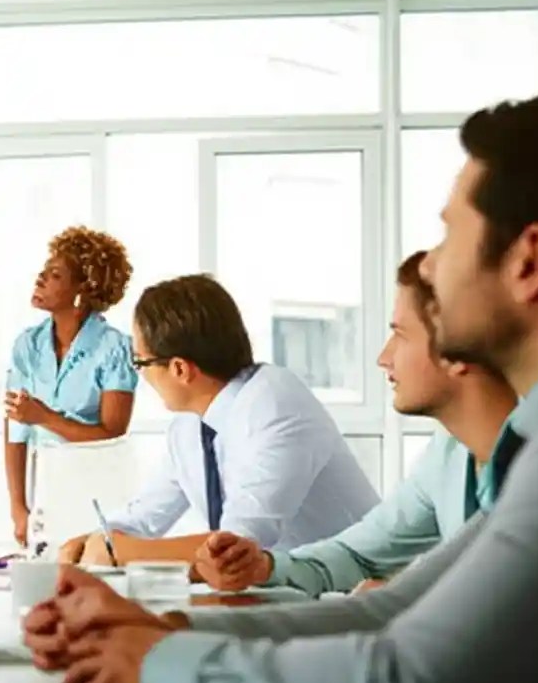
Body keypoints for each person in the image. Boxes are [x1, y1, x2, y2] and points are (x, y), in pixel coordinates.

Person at [23, 86, 538, 683]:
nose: (431, 269)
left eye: (450, 238)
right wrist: (168, 632)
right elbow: (393, 610)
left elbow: (404, 680)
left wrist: (157, 662)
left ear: (531, 260)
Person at [193, 250, 518, 594]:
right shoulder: (448, 454)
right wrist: (263, 566)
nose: (383, 358)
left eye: (401, 334)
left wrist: (403, 601)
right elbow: (356, 555)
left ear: (458, 344)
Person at [59, 274, 379, 565]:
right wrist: (91, 541)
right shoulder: (189, 426)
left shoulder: (276, 402)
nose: (138, 373)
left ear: (180, 369)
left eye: (139, 362)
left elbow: (238, 543)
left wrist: (117, 553)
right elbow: (145, 516)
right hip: (287, 593)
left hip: (360, 593)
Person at [4, 226, 137, 546]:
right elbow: (16, 430)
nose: (40, 279)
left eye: (54, 275)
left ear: (83, 289)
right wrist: (18, 507)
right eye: (43, 271)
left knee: (93, 571)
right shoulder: (27, 345)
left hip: (97, 487)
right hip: (45, 485)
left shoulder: (114, 348)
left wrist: (45, 417)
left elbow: (112, 433)